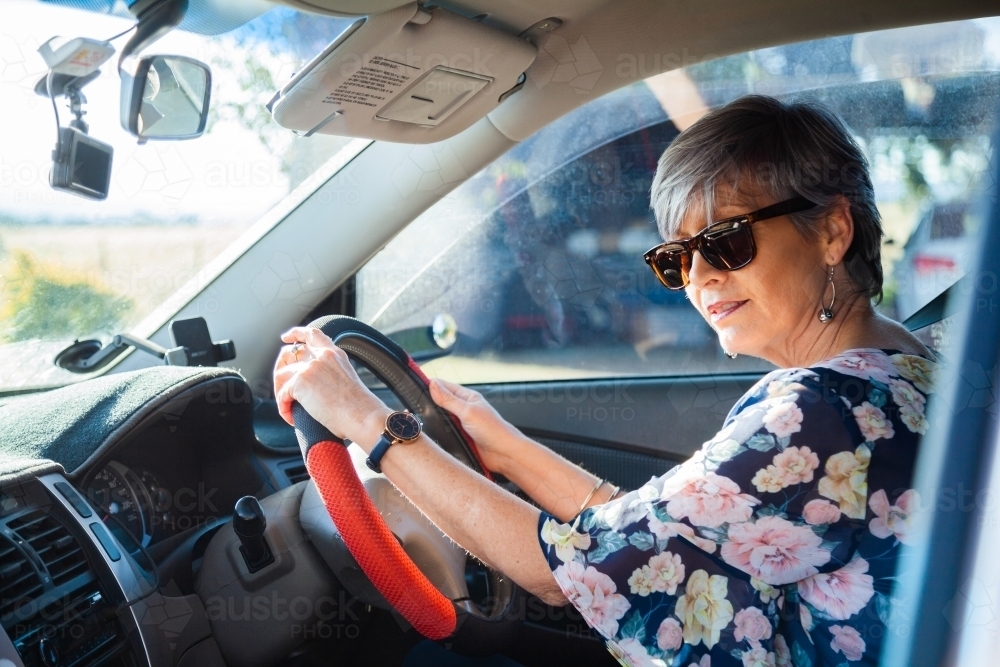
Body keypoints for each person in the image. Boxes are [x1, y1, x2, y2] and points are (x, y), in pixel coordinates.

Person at [273, 95, 940, 667]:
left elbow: (558, 571)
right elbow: (648, 534)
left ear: (832, 228)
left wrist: (367, 421)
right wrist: (499, 443)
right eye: (678, 257)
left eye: (728, 240)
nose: (702, 275)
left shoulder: (815, 413)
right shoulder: (915, 366)